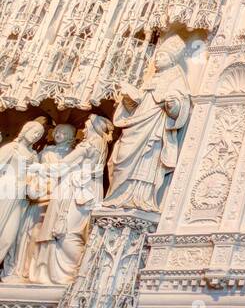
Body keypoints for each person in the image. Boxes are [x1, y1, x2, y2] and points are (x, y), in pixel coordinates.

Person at [105, 35, 191, 213]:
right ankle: (118, 195)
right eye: (157, 55)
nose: (157, 59)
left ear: (172, 59)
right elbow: (135, 105)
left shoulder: (176, 79)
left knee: (147, 158)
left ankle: (139, 197)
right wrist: (130, 98)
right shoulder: (151, 78)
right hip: (137, 124)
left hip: (153, 128)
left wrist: (172, 104)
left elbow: (180, 105)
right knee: (120, 158)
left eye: (162, 56)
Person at [29, 116, 109, 285]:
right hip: (88, 189)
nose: (84, 130)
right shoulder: (102, 144)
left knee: (66, 233)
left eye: (87, 126)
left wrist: (39, 168)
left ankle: (77, 273)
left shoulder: (89, 144)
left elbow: (64, 164)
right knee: (71, 232)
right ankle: (72, 273)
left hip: (75, 190)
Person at [0, 121, 47, 280]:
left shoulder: (33, 156)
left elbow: (35, 177)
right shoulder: (11, 148)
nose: (36, 136)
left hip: (20, 198)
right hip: (5, 191)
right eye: (34, 131)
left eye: (39, 135)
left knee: (9, 237)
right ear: (25, 129)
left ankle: (7, 268)